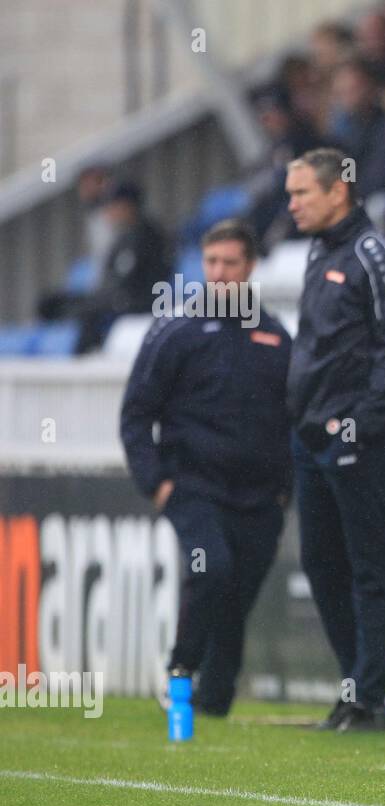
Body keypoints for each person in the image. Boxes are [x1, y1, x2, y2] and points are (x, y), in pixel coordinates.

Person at [120, 219, 291, 716]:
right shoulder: (176, 331)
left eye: (229, 263)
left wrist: (286, 489)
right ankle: (180, 672)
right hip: (193, 487)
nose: (218, 273)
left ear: (250, 266)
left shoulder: (276, 336)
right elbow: (136, 416)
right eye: (210, 262)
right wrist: (157, 484)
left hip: (260, 496)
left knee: (236, 596)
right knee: (211, 568)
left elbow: (293, 418)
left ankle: (215, 698)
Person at [284, 148, 385, 731]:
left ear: (338, 191)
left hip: (361, 435)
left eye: (301, 194)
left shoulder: (375, 254)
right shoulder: (320, 250)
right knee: (321, 563)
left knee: (369, 565)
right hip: (311, 435)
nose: (291, 205)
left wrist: (360, 423)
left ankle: (368, 697)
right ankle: (352, 687)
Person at [73, 181, 172, 353]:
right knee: (54, 304)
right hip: (120, 297)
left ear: (128, 206)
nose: (109, 212)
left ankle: (82, 361)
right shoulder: (122, 237)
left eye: (113, 206)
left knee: (89, 313)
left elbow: (132, 279)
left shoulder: (149, 236)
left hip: (142, 301)